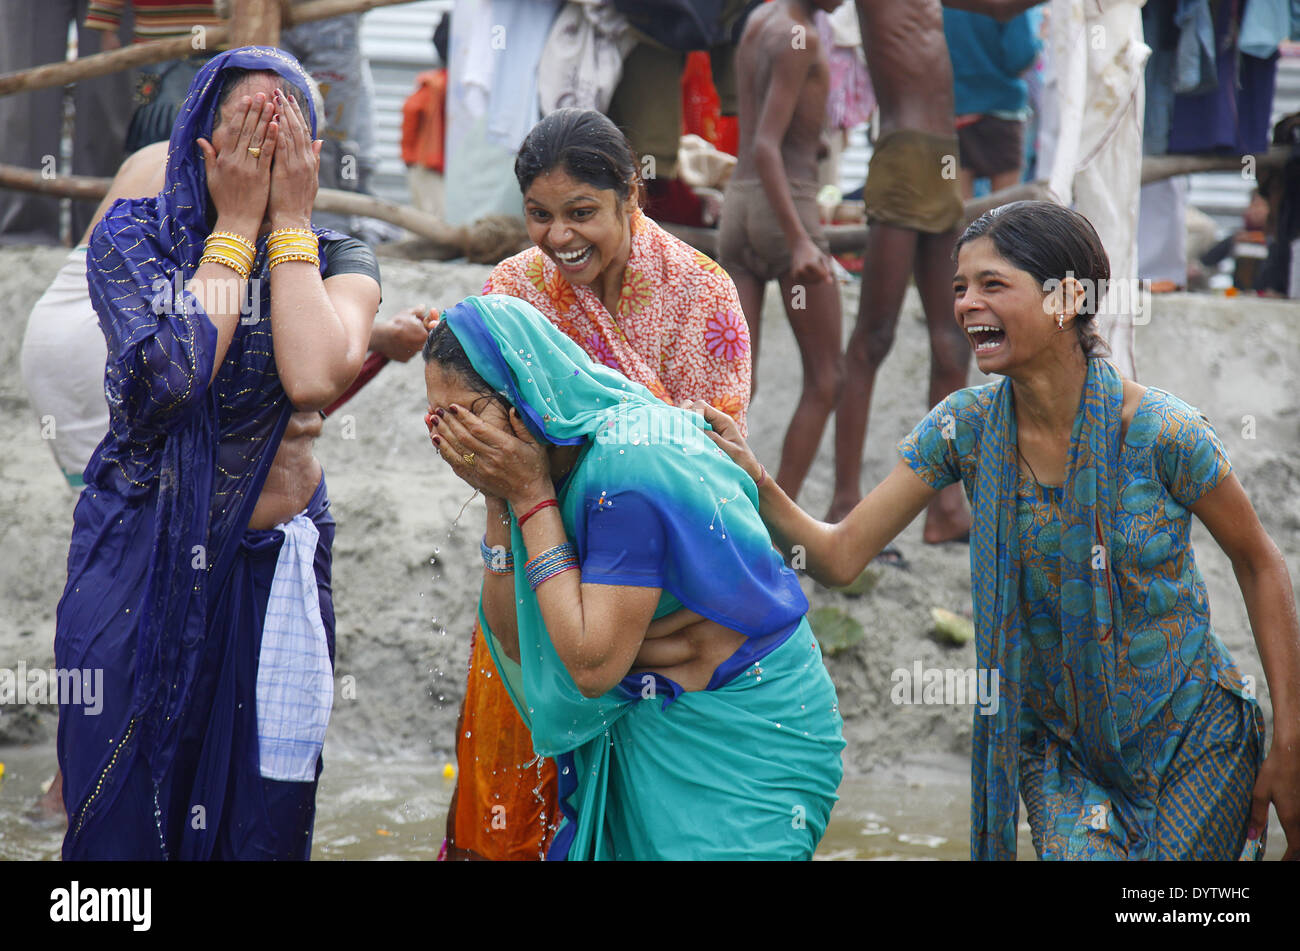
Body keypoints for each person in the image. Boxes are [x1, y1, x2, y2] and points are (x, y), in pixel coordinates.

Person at [693, 200, 1300, 860]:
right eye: (959, 287)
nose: (965, 304)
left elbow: (1260, 561)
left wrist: (1291, 740)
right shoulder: (965, 429)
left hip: (1192, 738)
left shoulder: (1162, 433)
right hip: (1062, 753)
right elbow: (839, 556)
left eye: (992, 284)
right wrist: (754, 480)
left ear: (1067, 297)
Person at [55, 47, 381, 860]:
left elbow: (310, 376)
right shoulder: (133, 240)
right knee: (116, 825)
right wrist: (234, 230)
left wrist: (289, 225)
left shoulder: (340, 256)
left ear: (312, 150)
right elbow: (172, 376)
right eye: (247, 134)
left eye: (287, 135)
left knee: (258, 823)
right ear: (200, 143)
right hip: (138, 567)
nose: (267, 155)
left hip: (270, 584)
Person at [433, 106, 753, 861]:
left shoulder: (701, 296)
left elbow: (706, 466)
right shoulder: (513, 288)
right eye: (539, 215)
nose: (559, 237)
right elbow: (486, 439)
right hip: (526, 561)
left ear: (631, 194)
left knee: (641, 816)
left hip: (644, 593)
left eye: (582, 213)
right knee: (513, 803)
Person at [422, 294, 844, 859]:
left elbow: (592, 666)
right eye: (439, 420)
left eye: (468, 414)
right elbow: (516, 639)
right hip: (652, 723)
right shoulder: (546, 460)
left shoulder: (626, 471)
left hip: (746, 736)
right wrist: (503, 498)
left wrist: (528, 497)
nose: (457, 440)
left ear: (522, 393)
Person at [22, 139, 420, 491]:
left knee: (117, 501)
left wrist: (380, 336)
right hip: (122, 350)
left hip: (50, 336)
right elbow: (251, 324)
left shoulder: (141, 184)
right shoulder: (223, 176)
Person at [829, 0, 970, 553]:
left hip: (943, 156)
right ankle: (845, 503)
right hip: (907, 152)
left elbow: (1003, 11)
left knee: (953, 342)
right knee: (874, 336)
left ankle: (947, 508)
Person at [719, 0, 843, 502]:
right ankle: (778, 520)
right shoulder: (801, 36)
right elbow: (770, 145)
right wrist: (800, 242)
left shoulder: (759, 20)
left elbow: (762, 135)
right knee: (828, 377)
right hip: (784, 206)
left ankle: (715, 511)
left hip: (739, 209)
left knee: (732, 385)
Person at [942, 5, 1042, 200]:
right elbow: (1020, 56)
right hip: (1001, 114)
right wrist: (1038, 42)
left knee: (956, 215)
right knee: (1006, 215)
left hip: (952, 114)